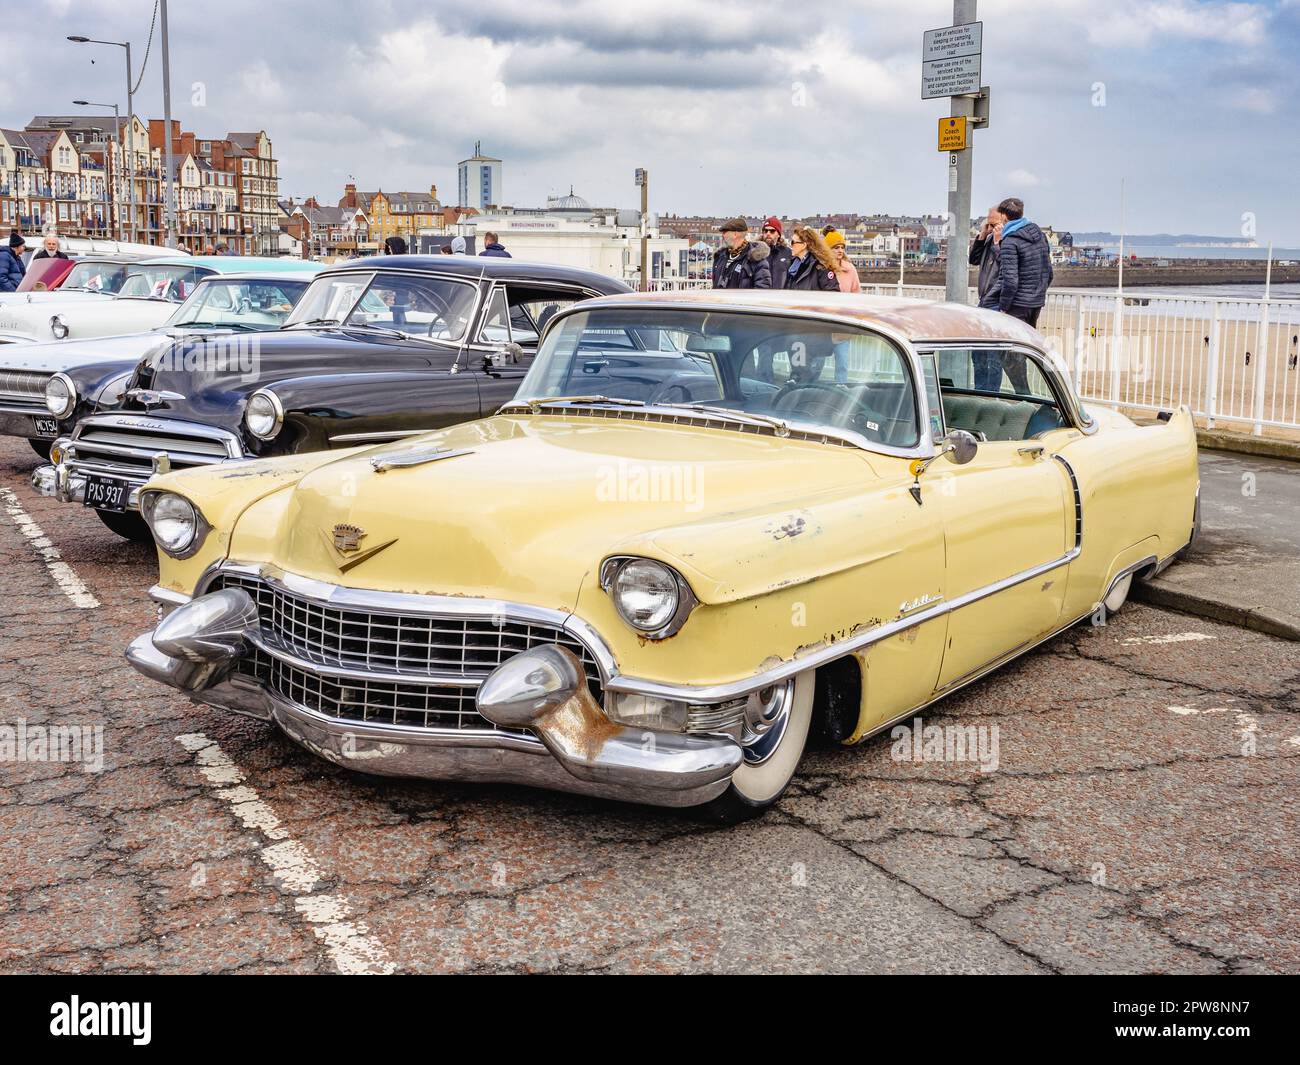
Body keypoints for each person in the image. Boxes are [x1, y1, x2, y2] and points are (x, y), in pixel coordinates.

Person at [994, 197, 1053, 393]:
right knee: (1029, 348)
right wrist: (1039, 292)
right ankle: (1037, 393)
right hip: (1035, 302)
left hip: (1017, 304)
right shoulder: (1039, 234)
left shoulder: (1010, 240)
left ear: (1004, 216)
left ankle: (1024, 395)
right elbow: (1048, 271)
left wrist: (1003, 306)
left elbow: (1010, 280)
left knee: (1010, 354)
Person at [968, 205, 1007, 390]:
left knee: (993, 357)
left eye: (994, 224)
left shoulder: (1008, 241)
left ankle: (992, 395)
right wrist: (982, 235)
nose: (990, 228)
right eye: (988, 223)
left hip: (997, 303)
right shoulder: (989, 238)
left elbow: (1006, 267)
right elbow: (974, 259)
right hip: (984, 301)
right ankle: (979, 391)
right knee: (978, 353)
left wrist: (999, 243)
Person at [711, 218, 771, 288]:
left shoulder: (756, 258)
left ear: (735, 234)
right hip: (721, 299)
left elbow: (762, 288)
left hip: (743, 299)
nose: (722, 236)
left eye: (725, 232)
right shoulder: (720, 257)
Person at [785, 226, 840, 291]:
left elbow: (833, 292)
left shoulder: (821, 267)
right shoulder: (791, 265)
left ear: (804, 245)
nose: (790, 245)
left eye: (793, 242)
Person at [759, 216, 792, 289]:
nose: (768, 233)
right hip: (760, 296)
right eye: (765, 231)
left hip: (781, 297)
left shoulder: (788, 253)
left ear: (778, 234)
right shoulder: (756, 253)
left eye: (772, 231)